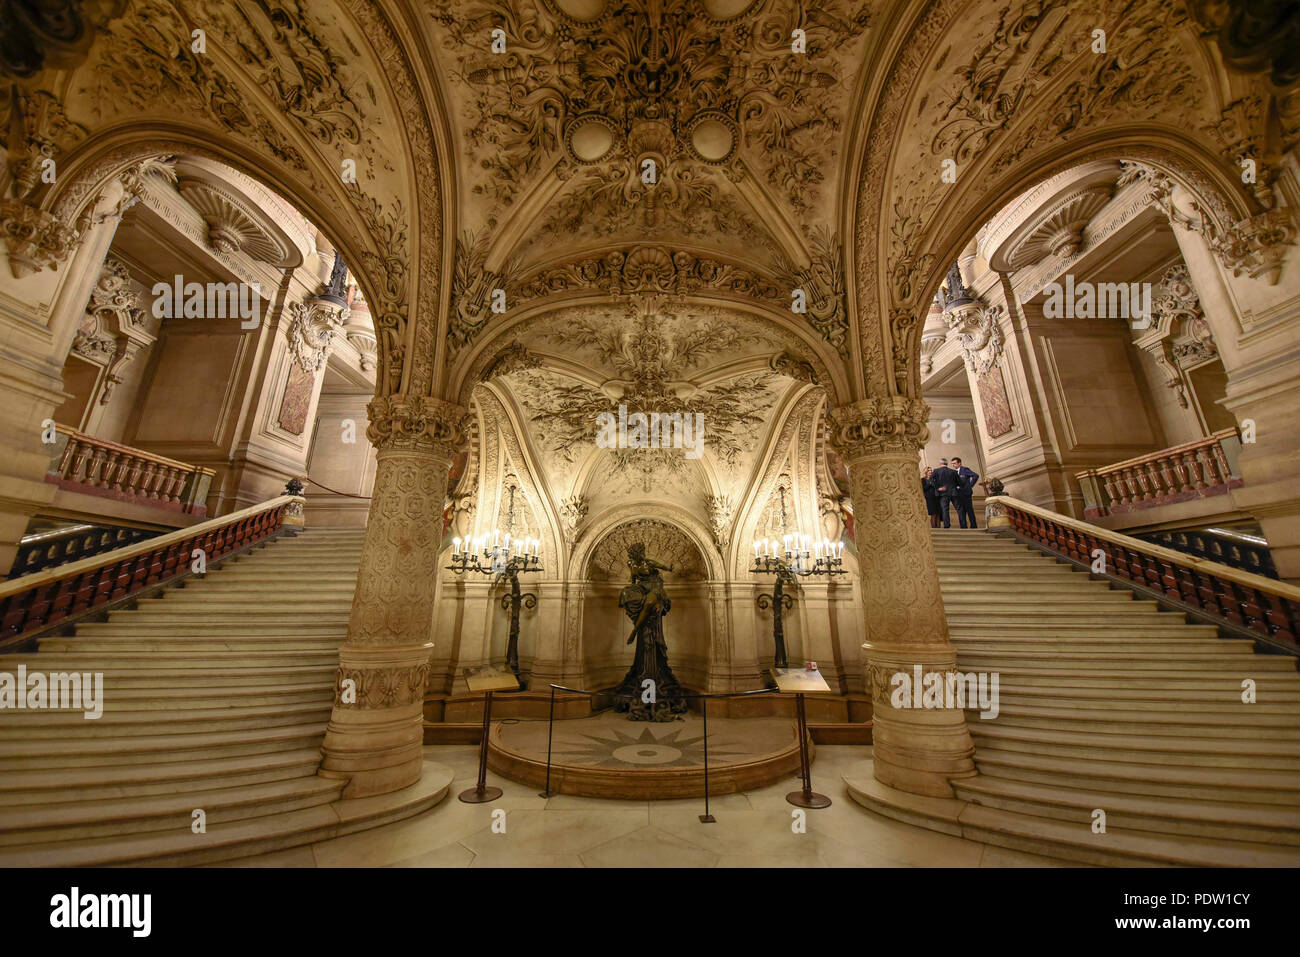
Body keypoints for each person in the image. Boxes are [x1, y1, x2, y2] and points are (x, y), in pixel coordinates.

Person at [951, 456, 980, 529]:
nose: (953, 465)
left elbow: (975, 476)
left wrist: (970, 485)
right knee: (961, 511)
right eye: (952, 464)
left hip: (966, 494)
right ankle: (963, 527)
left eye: (954, 463)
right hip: (958, 494)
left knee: (969, 510)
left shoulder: (964, 470)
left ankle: (974, 526)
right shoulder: (953, 472)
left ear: (959, 463)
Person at [931, 460, 959, 528]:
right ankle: (964, 526)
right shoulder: (953, 471)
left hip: (943, 494)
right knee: (959, 509)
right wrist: (955, 487)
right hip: (953, 493)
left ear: (940, 463)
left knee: (945, 510)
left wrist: (938, 488)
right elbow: (959, 482)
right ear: (947, 464)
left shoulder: (936, 471)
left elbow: (931, 481)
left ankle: (947, 526)